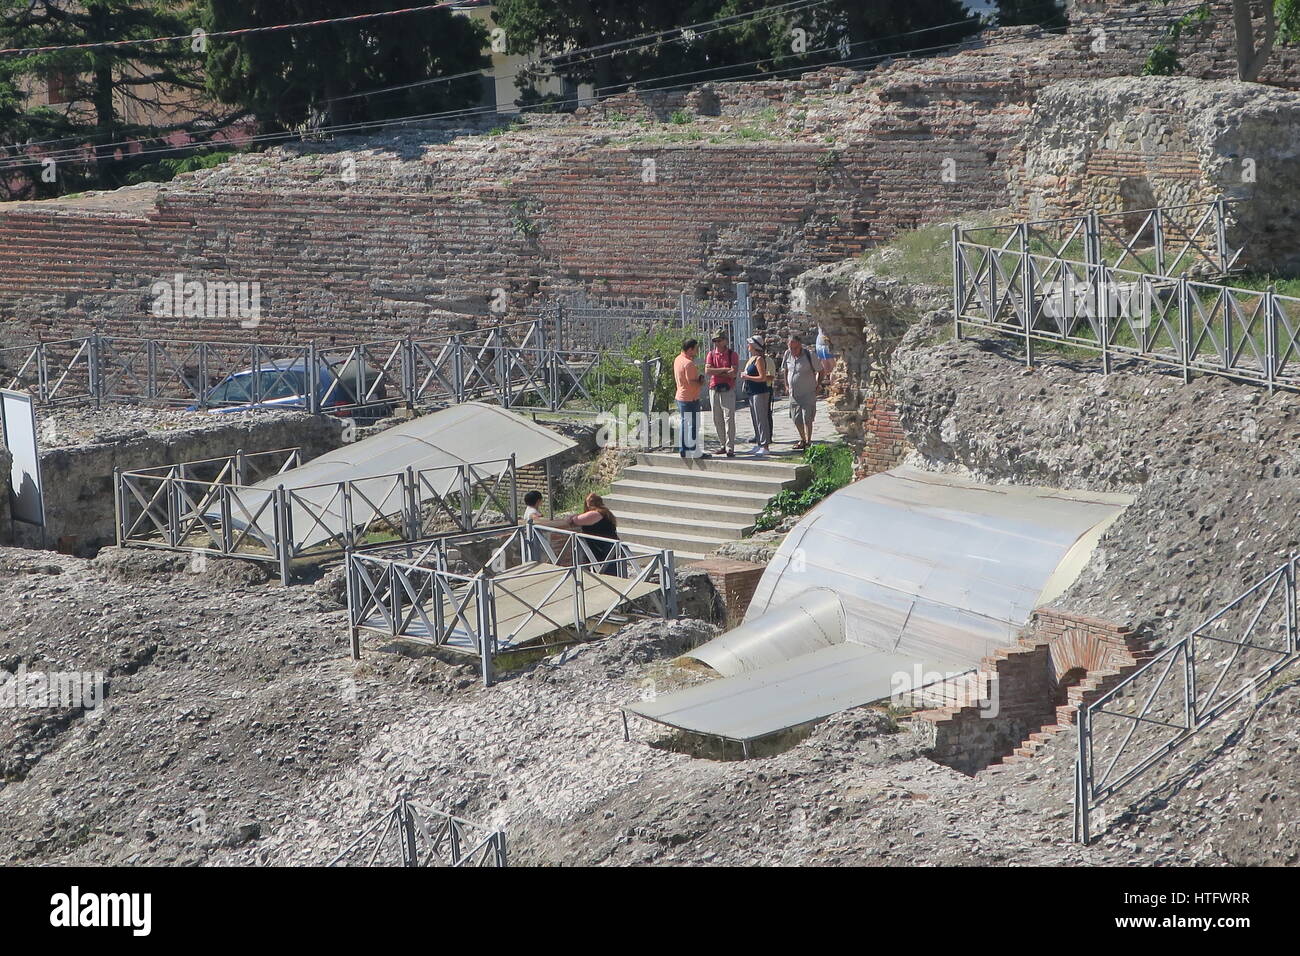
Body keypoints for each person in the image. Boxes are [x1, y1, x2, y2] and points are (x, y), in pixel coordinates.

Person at [565, 493, 621, 575]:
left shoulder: (596, 514)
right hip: (607, 546)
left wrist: (572, 517)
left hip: (604, 549)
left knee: (606, 573)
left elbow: (574, 521)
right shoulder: (605, 512)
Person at [704, 328, 739, 457]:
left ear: (725, 341)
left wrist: (716, 371)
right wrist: (724, 370)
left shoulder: (732, 354)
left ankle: (730, 447)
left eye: (719, 340)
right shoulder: (711, 354)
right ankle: (722, 444)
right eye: (715, 341)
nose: (717, 343)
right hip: (714, 388)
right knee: (717, 418)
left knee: (729, 418)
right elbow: (708, 371)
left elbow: (733, 373)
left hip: (727, 389)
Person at [673, 338, 711, 459]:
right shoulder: (688, 363)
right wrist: (701, 381)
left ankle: (683, 449)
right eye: (696, 349)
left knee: (685, 423)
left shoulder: (678, 359)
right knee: (693, 425)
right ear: (690, 349)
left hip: (681, 396)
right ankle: (694, 451)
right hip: (690, 398)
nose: (697, 351)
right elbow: (691, 382)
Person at [781, 334, 818, 450]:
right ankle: (802, 439)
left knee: (807, 418)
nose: (793, 351)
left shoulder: (809, 355)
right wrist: (786, 385)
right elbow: (785, 370)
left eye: (795, 348)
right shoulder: (787, 354)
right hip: (793, 393)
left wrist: (817, 384)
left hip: (808, 392)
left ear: (800, 345)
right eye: (790, 348)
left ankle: (808, 441)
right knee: (796, 418)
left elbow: (820, 370)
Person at [739, 335, 772, 456]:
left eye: (750, 344)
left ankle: (765, 445)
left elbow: (762, 377)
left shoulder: (759, 359)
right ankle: (759, 443)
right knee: (755, 419)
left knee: (761, 419)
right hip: (752, 392)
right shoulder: (752, 359)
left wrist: (747, 377)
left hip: (760, 392)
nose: (748, 346)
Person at [815, 327, 836, 393]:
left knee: (824, 369)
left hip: (819, 343)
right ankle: (834, 390)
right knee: (834, 369)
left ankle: (814, 388)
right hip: (828, 344)